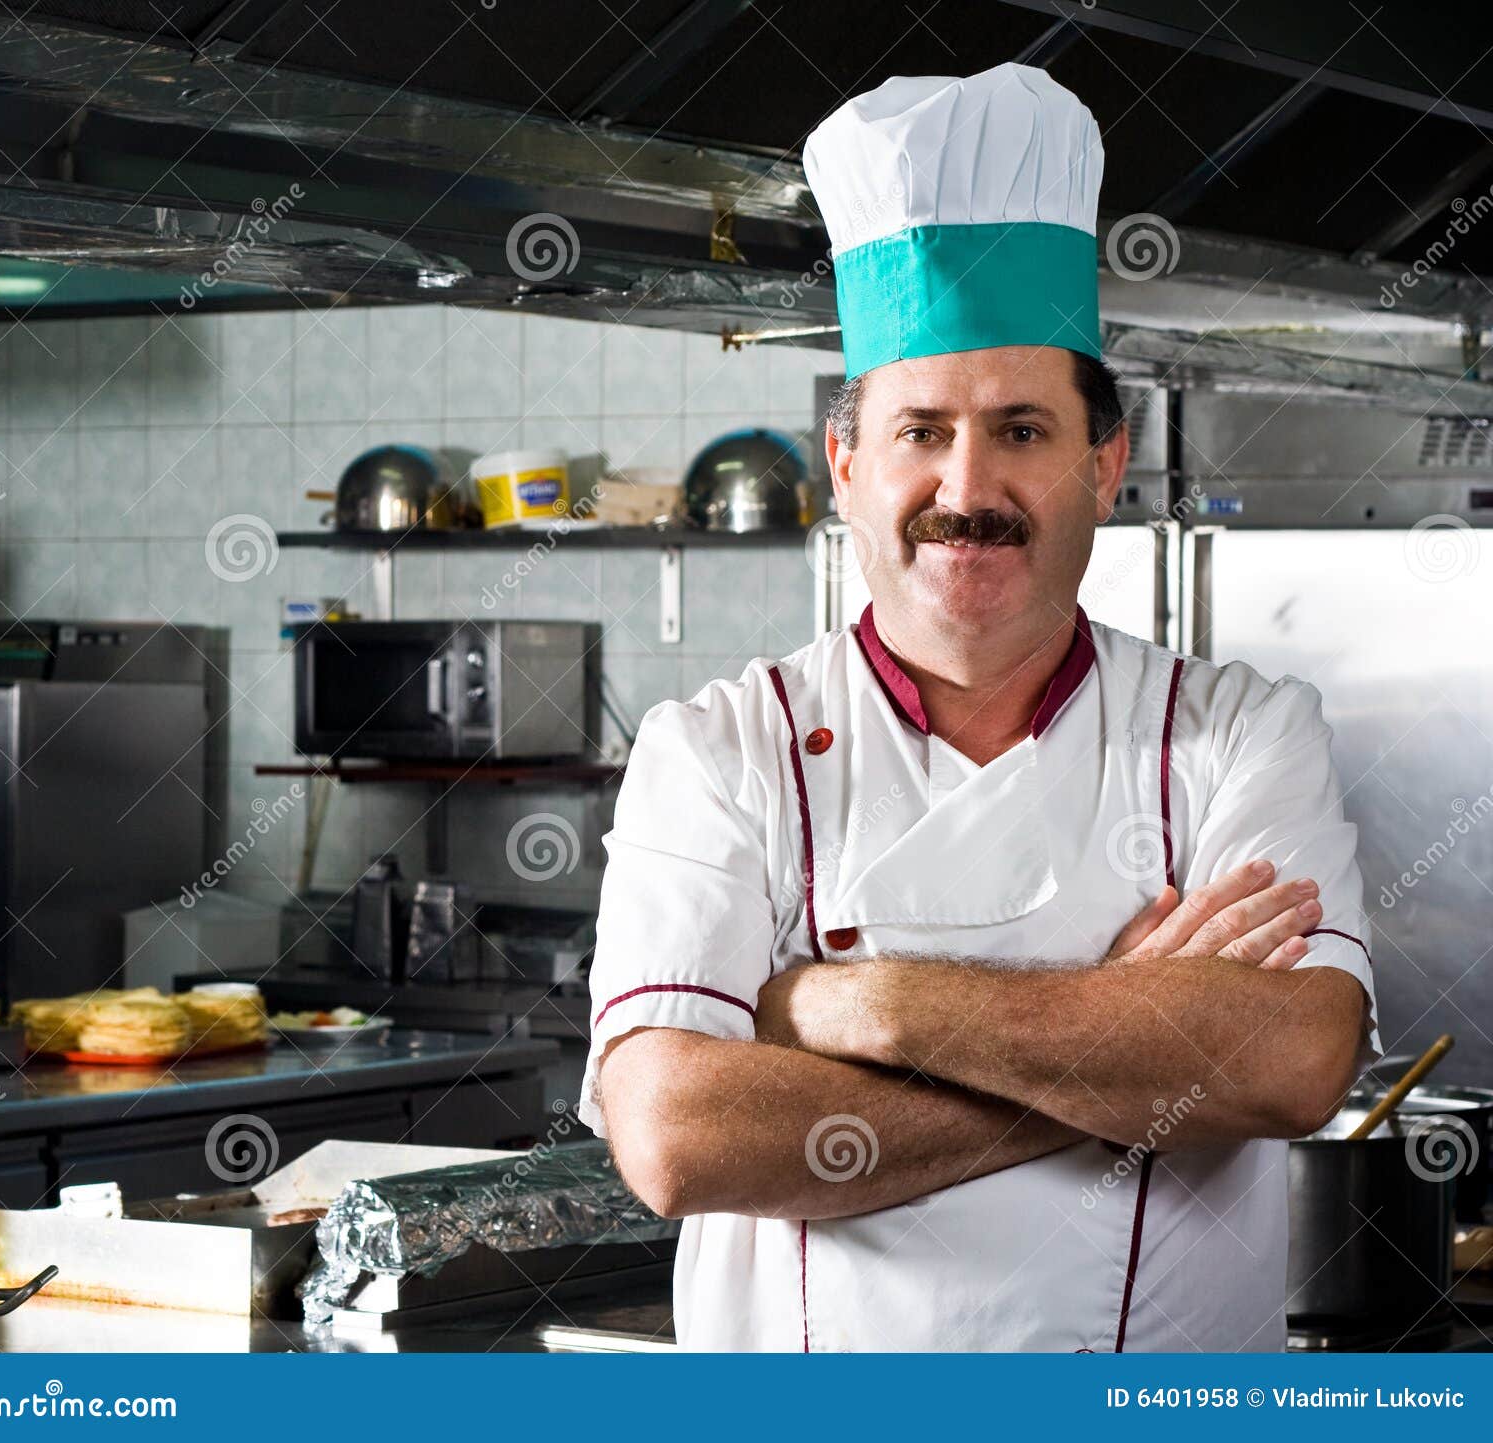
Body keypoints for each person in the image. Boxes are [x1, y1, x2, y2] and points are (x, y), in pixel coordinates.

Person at [579, 64, 1379, 1352]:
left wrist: (866, 1009)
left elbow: (1289, 1062)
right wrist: (1139, 1061)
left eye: (1021, 428)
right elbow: (673, 1138)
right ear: (846, 463)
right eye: (920, 431)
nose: (968, 484)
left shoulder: (1237, 730)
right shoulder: (718, 752)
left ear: (1103, 464)